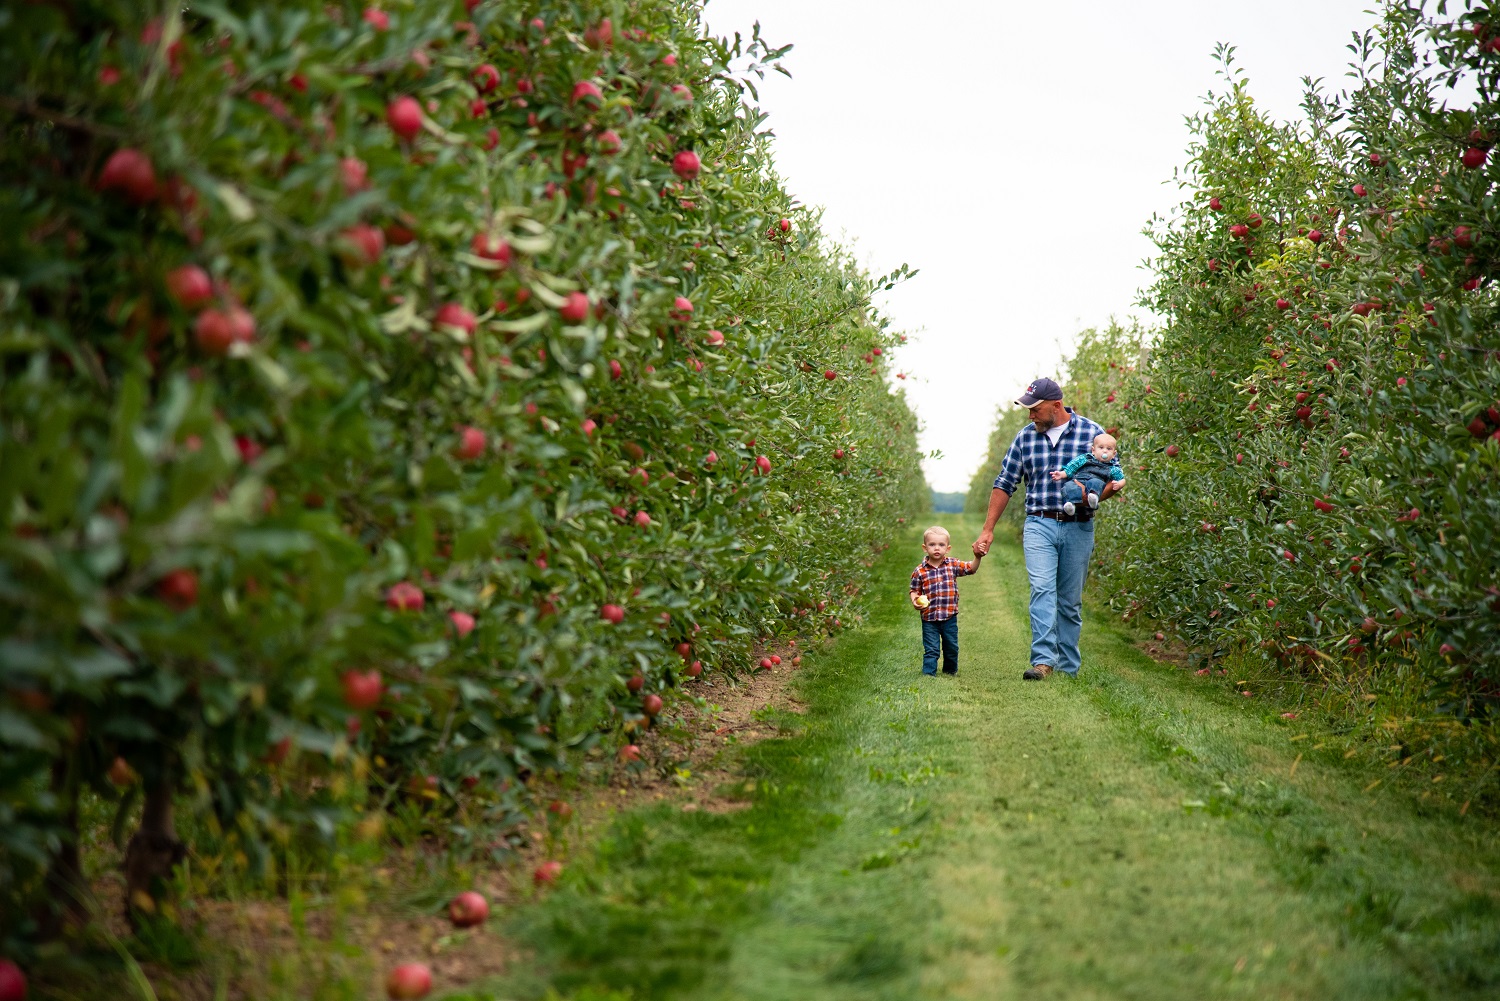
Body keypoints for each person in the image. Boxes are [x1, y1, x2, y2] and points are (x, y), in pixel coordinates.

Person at [972, 379, 1124, 680]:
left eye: (1035, 410)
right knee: (1042, 589)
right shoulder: (1025, 438)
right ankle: (1042, 662)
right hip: (1039, 523)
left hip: (1079, 525)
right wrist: (988, 529)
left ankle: (1068, 667)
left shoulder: (1092, 433)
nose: (1030, 416)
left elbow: (1114, 479)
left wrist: (1090, 498)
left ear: (1056, 406)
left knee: (1069, 600)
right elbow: (1005, 482)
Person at [908, 525, 983, 676]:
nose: (937, 548)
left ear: (947, 548)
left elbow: (971, 569)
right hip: (929, 618)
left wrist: (978, 557)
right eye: (932, 544)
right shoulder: (919, 571)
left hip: (949, 617)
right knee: (931, 649)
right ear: (925, 547)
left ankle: (950, 671)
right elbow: (914, 590)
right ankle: (929, 674)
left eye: (941, 545)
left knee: (951, 647)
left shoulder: (952, 565)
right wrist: (915, 600)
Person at [1050, 432, 1125, 516]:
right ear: (1093, 450)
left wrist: (1119, 484)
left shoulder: (1112, 468)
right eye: (1101, 447)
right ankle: (1070, 504)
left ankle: (1093, 497)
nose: (1105, 451)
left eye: (1109, 449)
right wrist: (1061, 474)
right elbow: (1072, 467)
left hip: (1095, 481)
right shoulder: (1085, 458)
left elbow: (1121, 478)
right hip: (1078, 480)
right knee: (1069, 486)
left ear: (1114, 454)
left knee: (1096, 483)